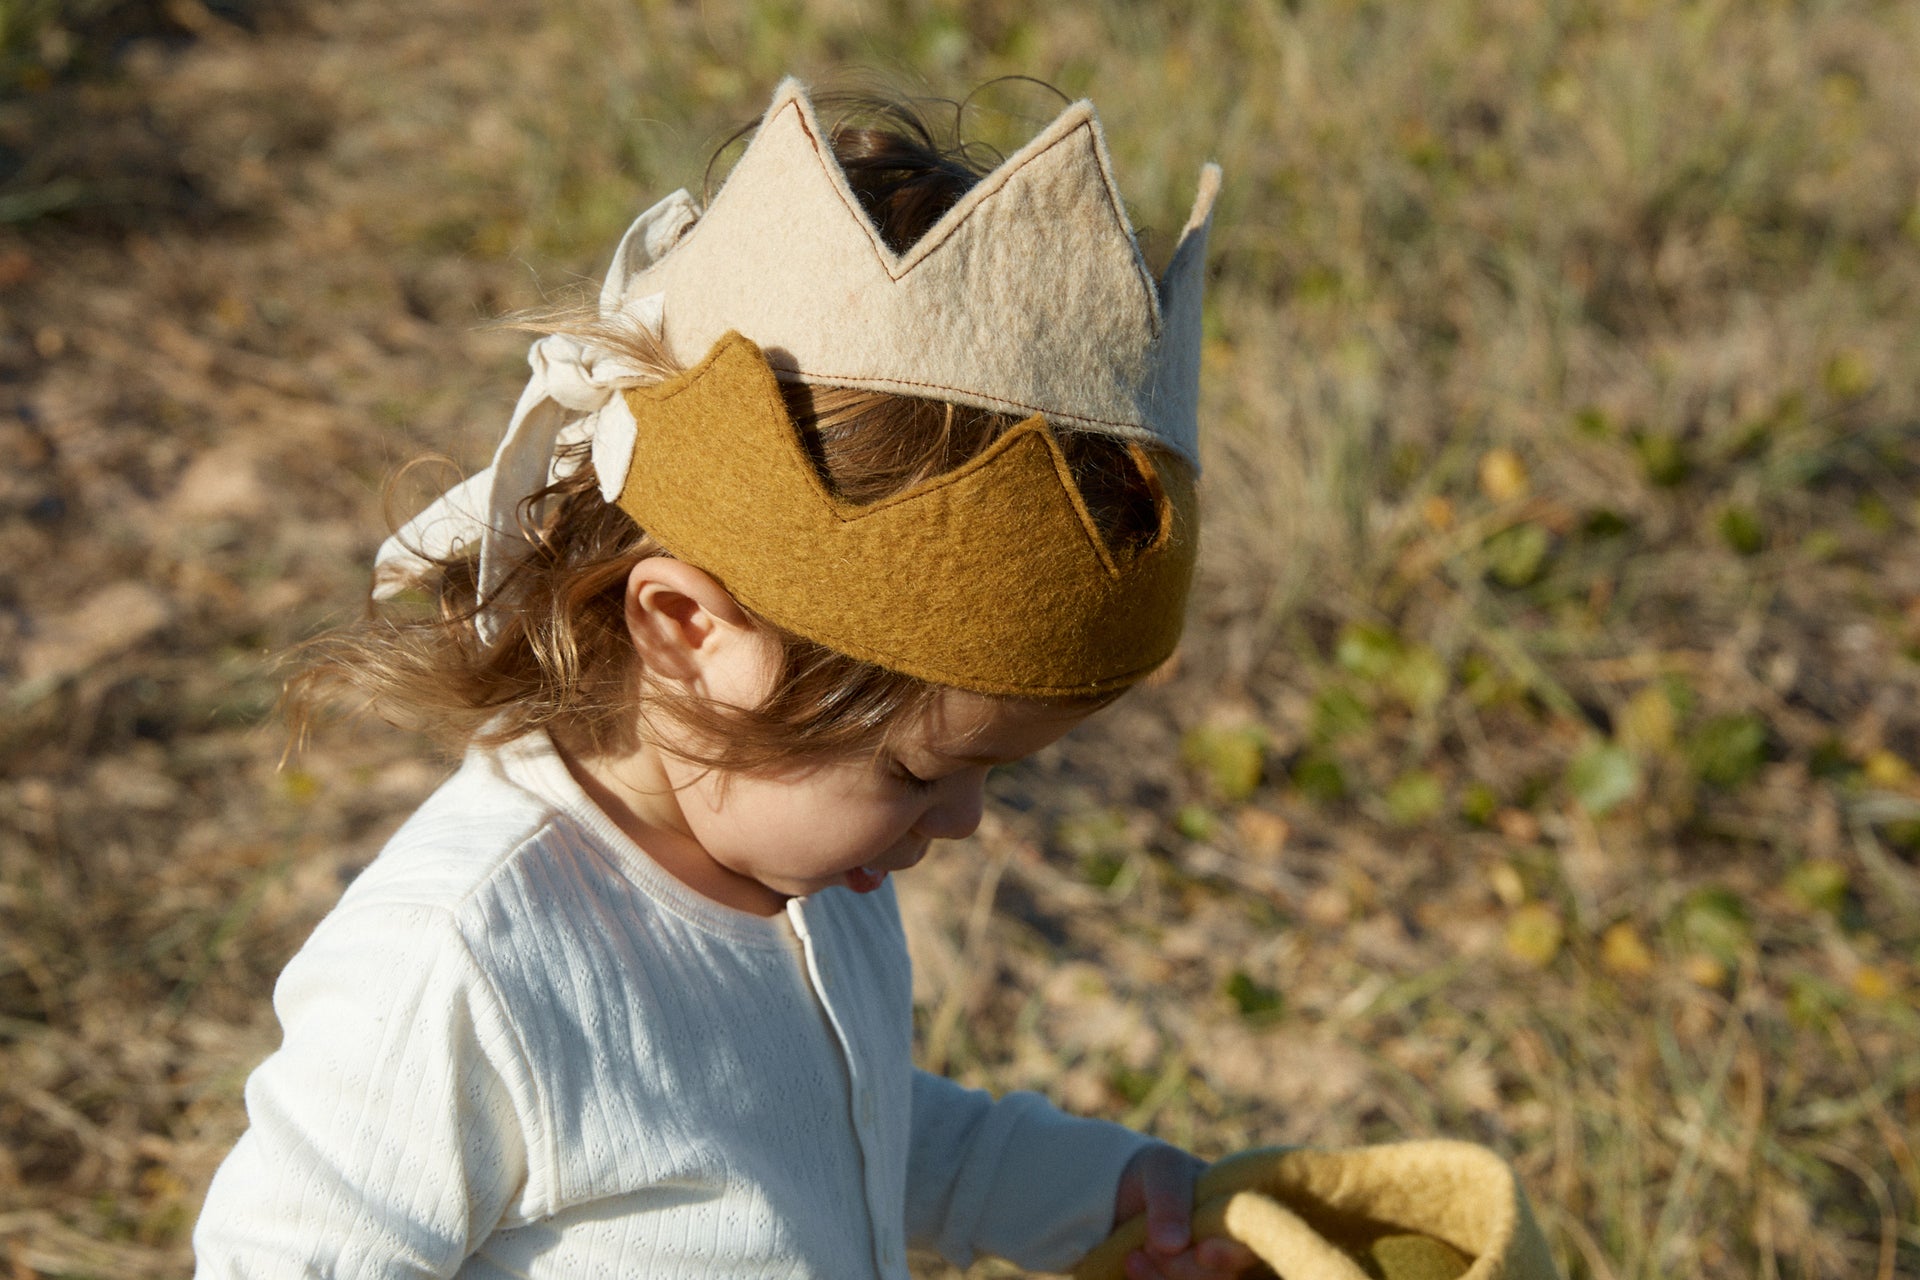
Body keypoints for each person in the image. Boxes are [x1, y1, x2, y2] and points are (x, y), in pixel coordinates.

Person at [193, 78, 1247, 1280]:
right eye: (919, 768)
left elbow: (847, 1137)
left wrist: (1097, 1189)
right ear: (692, 629)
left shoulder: (803, 860)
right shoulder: (463, 959)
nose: (959, 822)